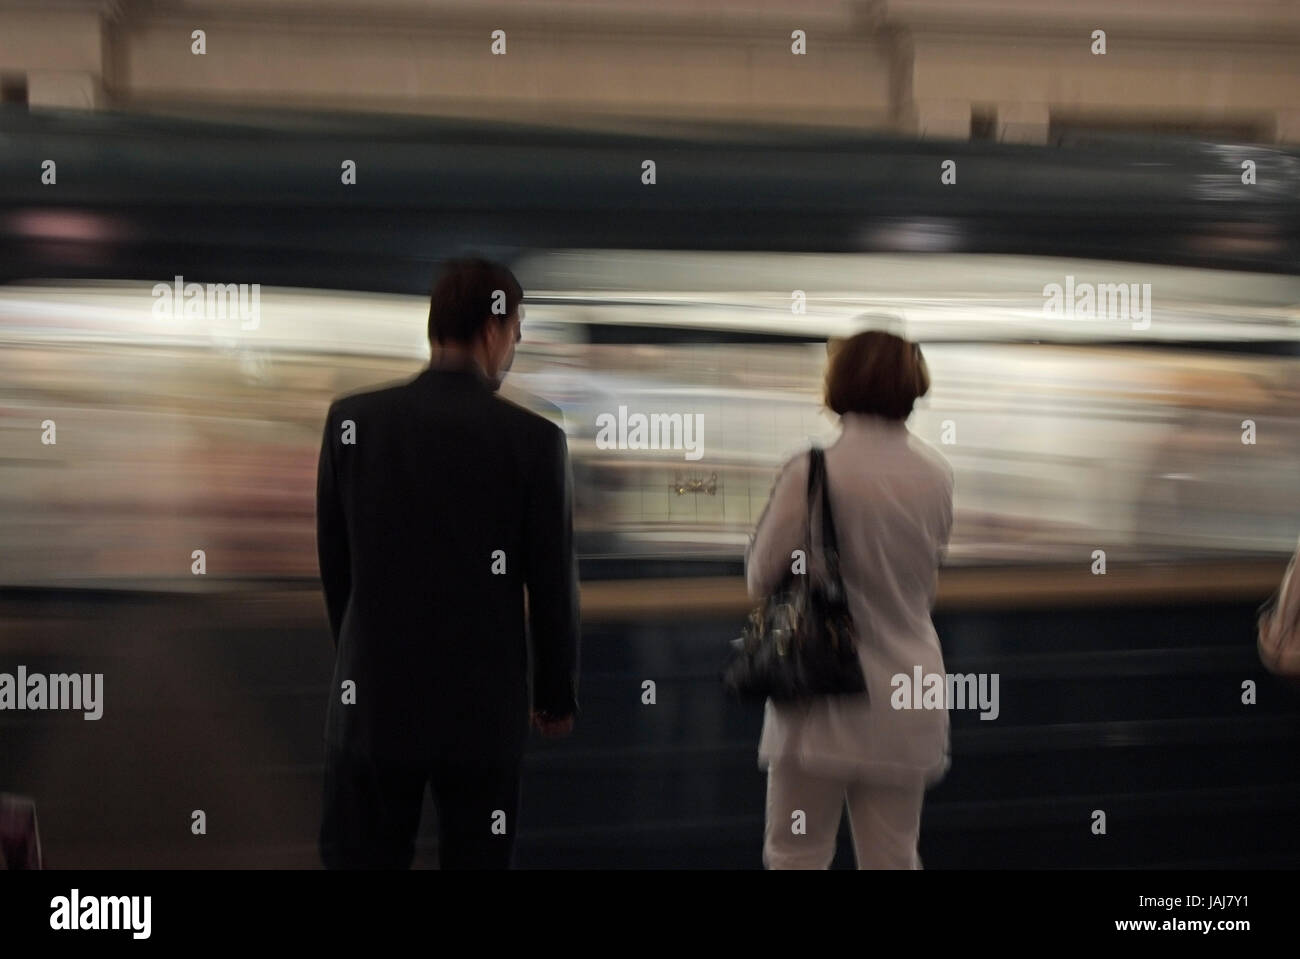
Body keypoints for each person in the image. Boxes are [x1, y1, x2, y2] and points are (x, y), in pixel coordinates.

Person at [316, 257, 579, 869]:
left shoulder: (352, 423)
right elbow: (551, 582)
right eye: (516, 332)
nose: (513, 347)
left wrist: (357, 658)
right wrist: (555, 695)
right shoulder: (536, 441)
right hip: (480, 717)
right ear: (492, 330)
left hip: (373, 705)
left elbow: (337, 567)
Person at [745, 327, 953, 869]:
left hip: (821, 692)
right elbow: (923, 582)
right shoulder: (936, 475)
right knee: (893, 856)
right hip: (910, 693)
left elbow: (762, 575)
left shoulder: (810, 472)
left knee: (797, 852)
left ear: (837, 383)